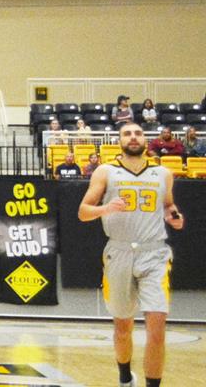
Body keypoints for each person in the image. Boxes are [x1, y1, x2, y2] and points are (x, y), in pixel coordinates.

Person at [80, 122, 184, 387]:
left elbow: (168, 204)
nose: (133, 137)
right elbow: (83, 211)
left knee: (157, 327)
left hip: (155, 253)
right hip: (119, 251)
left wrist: (174, 216)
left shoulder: (163, 173)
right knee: (123, 328)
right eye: (127, 133)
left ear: (145, 140)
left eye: (138, 133)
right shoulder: (106, 171)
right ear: (119, 141)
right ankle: (125, 377)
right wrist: (105, 209)